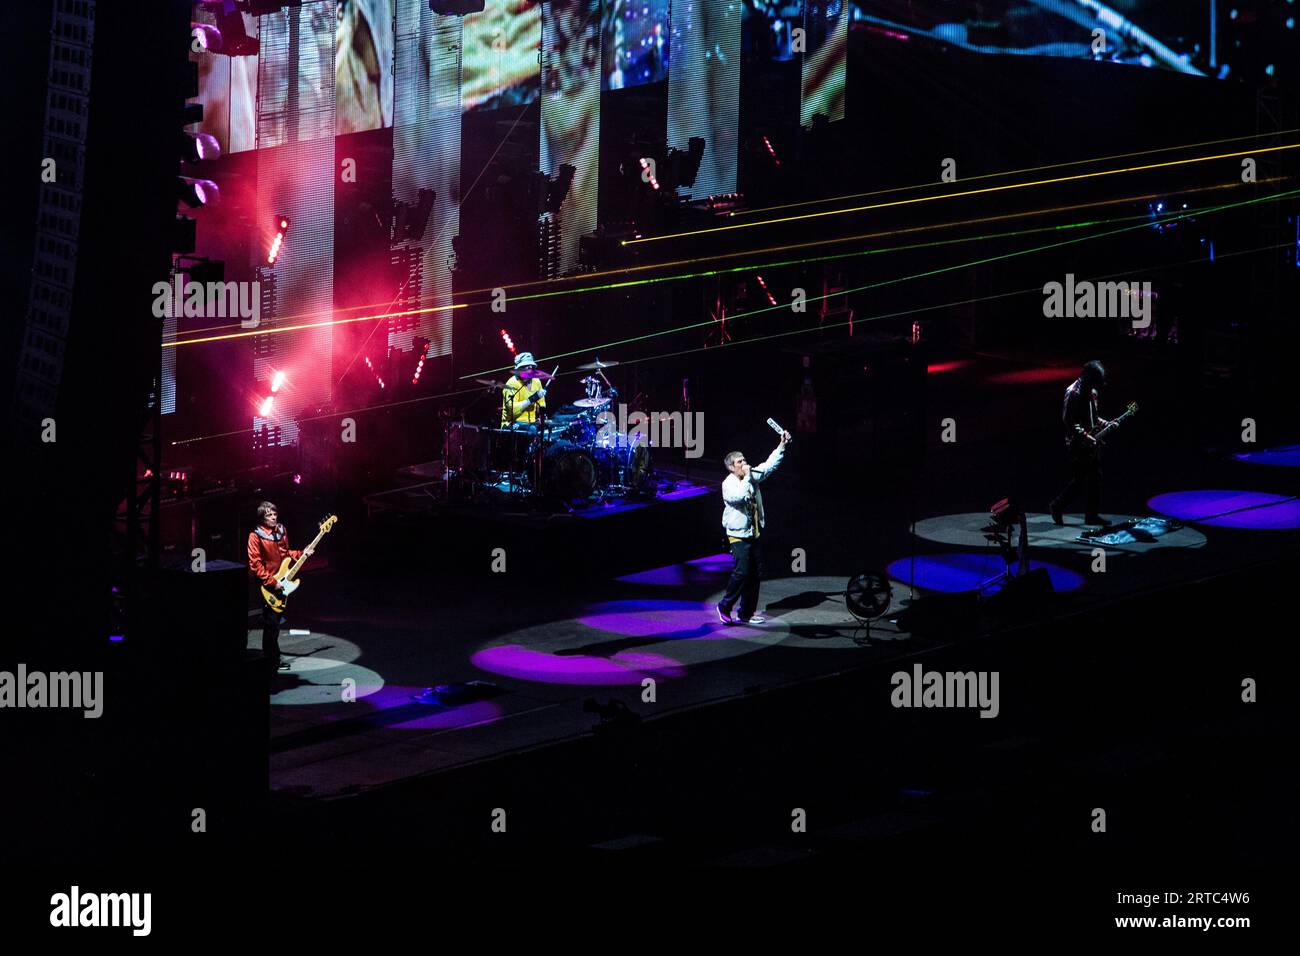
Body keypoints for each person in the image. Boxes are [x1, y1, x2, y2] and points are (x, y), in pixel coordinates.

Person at [717, 430, 789, 625]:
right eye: (739, 462)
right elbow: (739, 497)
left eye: (744, 459)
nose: (744, 463)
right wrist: (749, 477)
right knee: (742, 572)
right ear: (732, 467)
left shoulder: (751, 477)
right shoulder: (729, 484)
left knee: (756, 574)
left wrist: (781, 446)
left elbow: (768, 467)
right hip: (737, 535)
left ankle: (746, 613)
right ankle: (724, 606)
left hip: (753, 532)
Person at [246, 501, 311, 673]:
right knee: (271, 624)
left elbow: (286, 554)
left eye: (274, 514)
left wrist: (301, 553)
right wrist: (273, 582)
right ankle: (271, 660)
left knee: (273, 625)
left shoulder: (281, 530)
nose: (273, 517)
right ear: (262, 518)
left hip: (283, 582)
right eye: (269, 515)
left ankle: (272, 658)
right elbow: (255, 565)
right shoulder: (255, 535)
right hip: (268, 585)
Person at [1050, 360, 1112, 527]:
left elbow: (1094, 417)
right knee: (1080, 481)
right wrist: (1085, 436)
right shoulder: (1073, 393)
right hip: (1078, 444)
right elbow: (1069, 421)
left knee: (1095, 478)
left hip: (1091, 442)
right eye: (1095, 382)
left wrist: (1106, 424)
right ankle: (1057, 505)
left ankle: (1091, 515)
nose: (1097, 386)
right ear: (1087, 378)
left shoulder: (1091, 391)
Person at [501, 351, 547, 426]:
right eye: (526, 365)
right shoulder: (511, 383)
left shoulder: (536, 381)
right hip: (512, 424)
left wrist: (541, 415)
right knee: (532, 430)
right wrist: (532, 399)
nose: (530, 367)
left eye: (531, 365)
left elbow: (541, 402)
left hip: (531, 423)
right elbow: (513, 411)